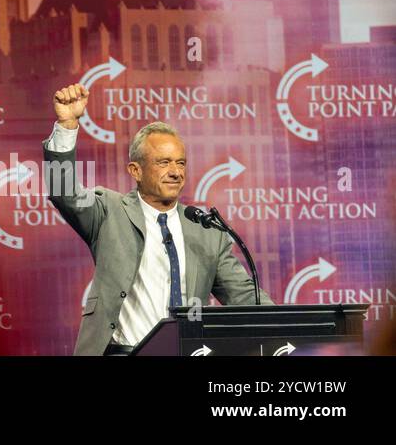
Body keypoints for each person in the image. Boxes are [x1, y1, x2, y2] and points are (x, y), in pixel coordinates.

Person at [43, 83, 273, 355]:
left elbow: (245, 297)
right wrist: (67, 125)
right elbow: (63, 192)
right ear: (136, 170)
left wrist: (292, 325)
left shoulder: (206, 231)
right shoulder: (110, 212)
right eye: (163, 163)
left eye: (180, 163)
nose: (175, 172)